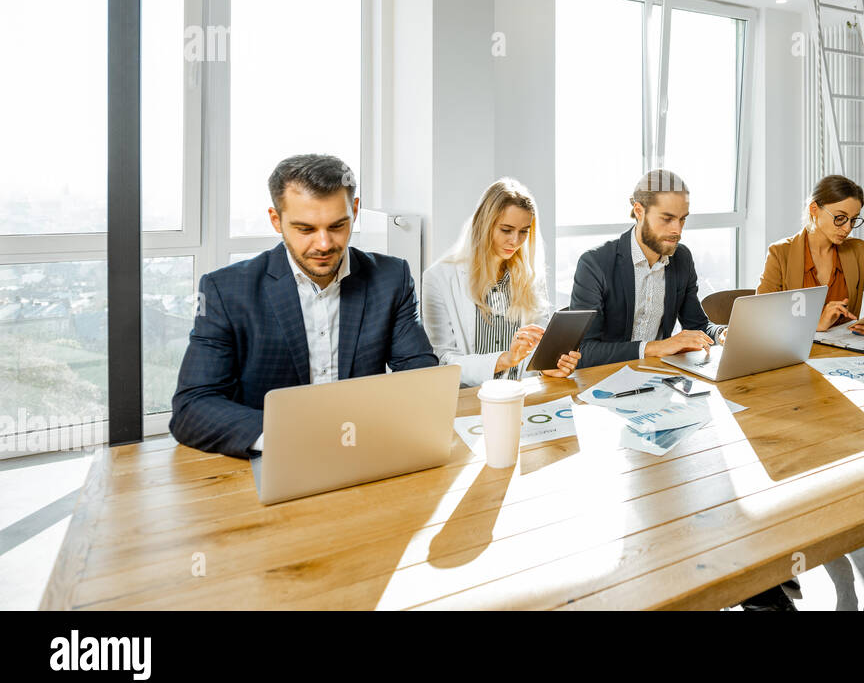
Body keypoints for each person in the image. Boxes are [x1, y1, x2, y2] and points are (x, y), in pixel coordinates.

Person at [170, 154, 437, 459]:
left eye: (337, 226)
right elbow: (193, 406)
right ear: (276, 220)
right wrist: (288, 436)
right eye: (306, 229)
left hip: (366, 451)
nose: (324, 244)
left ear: (355, 210)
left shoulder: (392, 278)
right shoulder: (226, 290)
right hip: (275, 461)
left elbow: (422, 378)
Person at [422, 178, 579, 385]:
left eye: (524, 231)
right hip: (472, 400)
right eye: (506, 230)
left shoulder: (530, 277)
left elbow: (537, 349)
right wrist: (505, 360)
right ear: (483, 225)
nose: (515, 241)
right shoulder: (439, 278)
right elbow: (443, 361)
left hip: (524, 395)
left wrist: (548, 366)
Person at [569, 169, 725, 368]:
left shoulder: (682, 259)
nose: (677, 230)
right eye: (667, 219)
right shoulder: (594, 264)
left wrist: (722, 334)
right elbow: (584, 350)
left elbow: (698, 326)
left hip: (658, 380)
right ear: (639, 211)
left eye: (682, 219)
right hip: (603, 382)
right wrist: (656, 347)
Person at [758, 174, 864, 334]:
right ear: (814, 209)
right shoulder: (779, 253)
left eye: (853, 220)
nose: (847, 228)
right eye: (840, 218)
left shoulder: (858, 251)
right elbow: (762, 318)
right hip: (796, 353)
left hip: (847, 353)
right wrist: (816, 325)